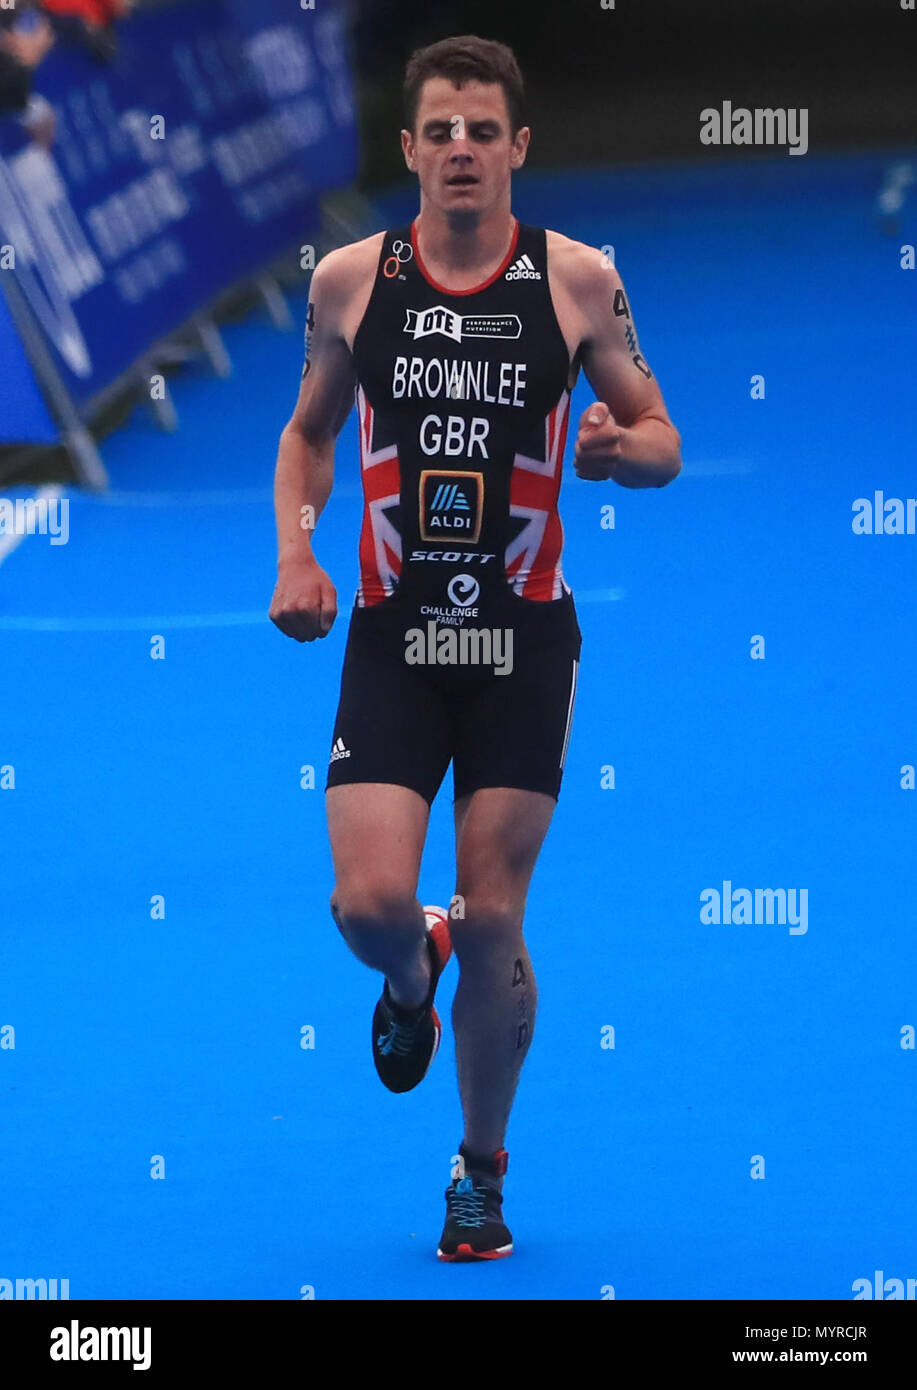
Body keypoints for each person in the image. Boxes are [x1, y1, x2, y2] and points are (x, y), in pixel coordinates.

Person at [269, 34, 681, 1261]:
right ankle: (411, 974)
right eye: (437, 131)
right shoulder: (350, 280)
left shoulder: (575, 282)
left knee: (497, 911)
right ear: (408, 150)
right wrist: (298, 551)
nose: (459, 149)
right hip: (394, 637)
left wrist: (620, 450)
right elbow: (306, 437)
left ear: (516, 149)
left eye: (480, 131)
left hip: (520, 645)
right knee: (368, 900)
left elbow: (660, 432)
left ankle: (480, 1173)